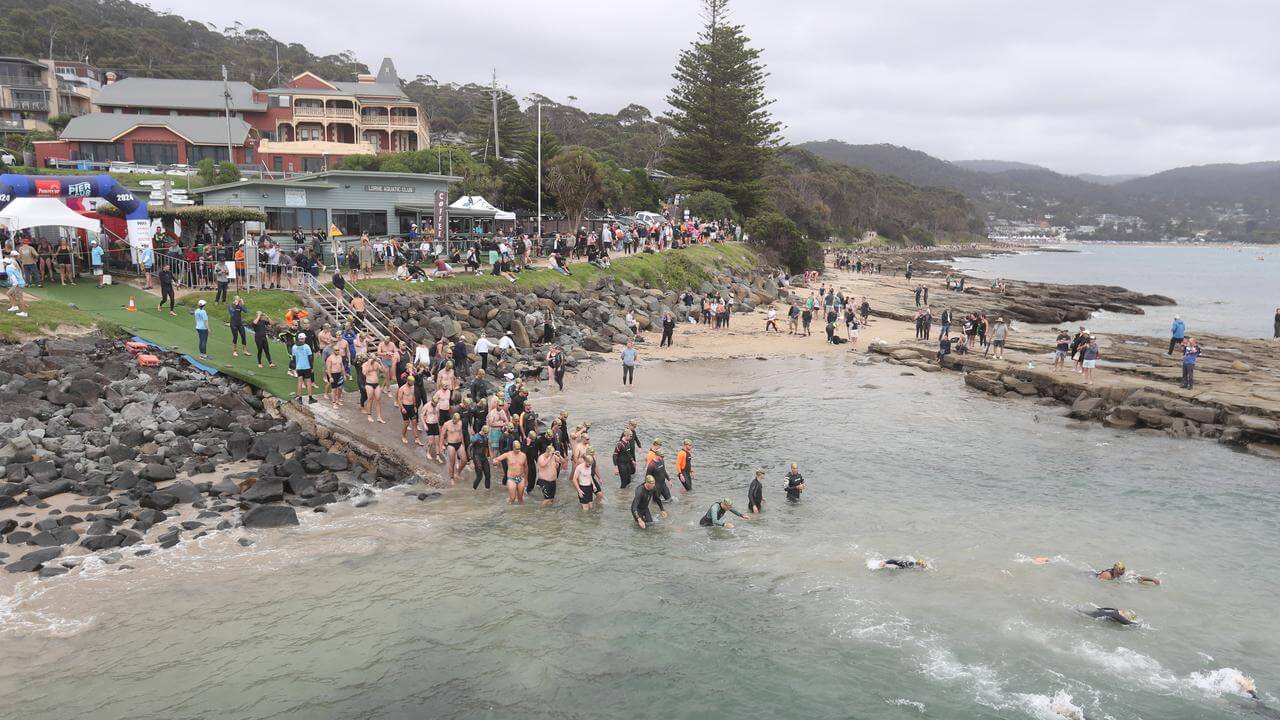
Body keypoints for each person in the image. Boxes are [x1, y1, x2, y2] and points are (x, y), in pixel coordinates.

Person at [292, 332, 316, 403]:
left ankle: (300, 399)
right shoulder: (307, 346)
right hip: (307, 367)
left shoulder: (294, 347)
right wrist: (311, 367)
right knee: (308, 382)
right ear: (304, 339)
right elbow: (310, 358)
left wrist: (295, 367)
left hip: (299, 367)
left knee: (300, 382)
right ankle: (310, 398)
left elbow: (294, 358)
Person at [362, 354, 385, 423]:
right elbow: (364, 373)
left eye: (374, 359)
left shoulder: (376, 363)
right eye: (372, 359)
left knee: (378, 400)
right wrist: (369, 363)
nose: (373, 360)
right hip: (369, 384)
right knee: (370, 399)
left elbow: (383, 370)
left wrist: (380, 362)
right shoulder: (365, 364)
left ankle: (379, 417)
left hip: (376, 384)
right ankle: (369, 416)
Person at [4, 252, 28, 318]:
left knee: (20, 298)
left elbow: (14, 278)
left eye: (4, 262)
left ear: (5, 263)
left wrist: (14, 285)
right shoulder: (11, 266)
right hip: (19, 282)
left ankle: (24, 312)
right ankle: (14, 306)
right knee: (10, 294)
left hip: (18, 284)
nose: (3, 263)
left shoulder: (8, 268)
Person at [1096, 561, 1161, 585]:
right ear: (1114, 570)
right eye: (1119, 573)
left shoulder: (1123, 573)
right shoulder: (1107, 575)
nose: (1121, 575)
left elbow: (1139, 577)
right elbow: (1099, 584)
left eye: (1122, 573)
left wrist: (1153, 580)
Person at [325, 343, 347, 407]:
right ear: (333, 350)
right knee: (334, 389)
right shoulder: (330, 358)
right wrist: (330, 377)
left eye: (338, 350)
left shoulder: (340, 357)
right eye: (336, 350)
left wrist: (344, 375)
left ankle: (338, 400)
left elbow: (342, 366)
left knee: (340, 388)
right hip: (333, 374)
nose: (337, 351)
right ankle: (334, 402)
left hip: (339, 374)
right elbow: (328, 368)